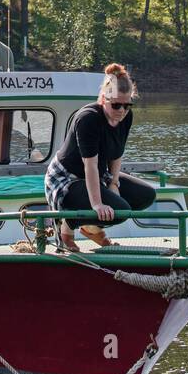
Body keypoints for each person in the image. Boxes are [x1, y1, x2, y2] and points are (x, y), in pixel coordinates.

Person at [44, 62, 155, 251]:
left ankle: (91, 227)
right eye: (116, 105)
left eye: (127, 105)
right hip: (67, 179)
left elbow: (117, 154)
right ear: (104, 99)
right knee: (121, 211)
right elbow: (90, 165)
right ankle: (68, 224)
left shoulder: (126, 117)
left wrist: (114, 183)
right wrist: (97, 204)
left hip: (100, 175)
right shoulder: (88, 119)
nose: (122, 110)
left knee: (146, 196)